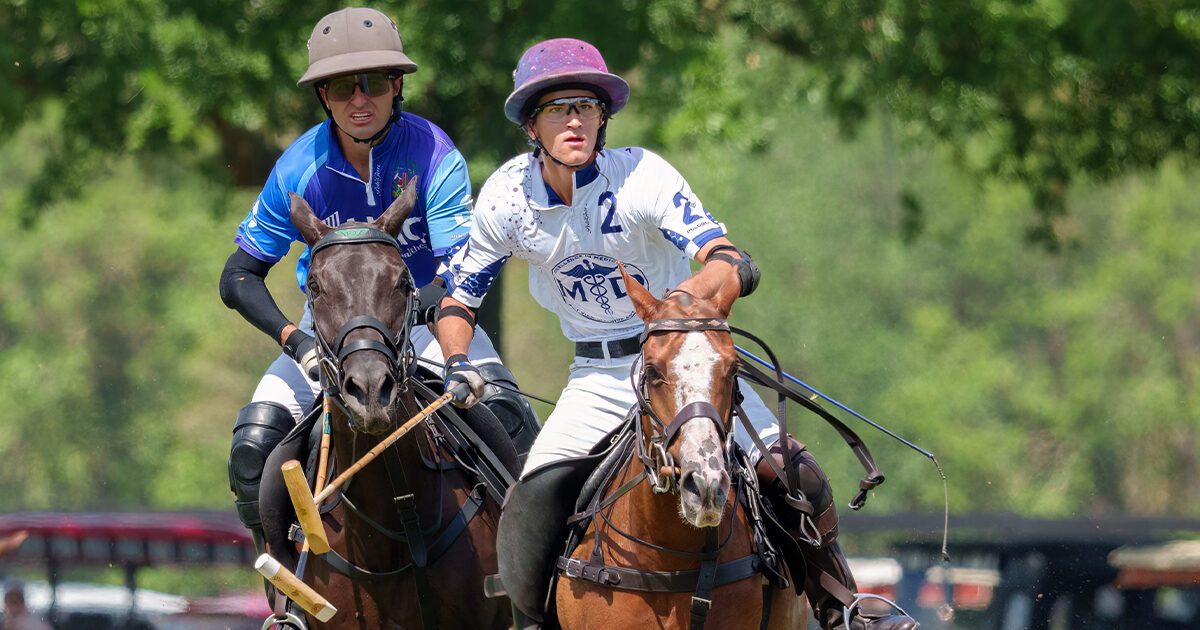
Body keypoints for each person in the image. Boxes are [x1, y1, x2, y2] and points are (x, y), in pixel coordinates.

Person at [434, 38, 918, 630]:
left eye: (586, 106)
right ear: (532, 126)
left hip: (685, 363)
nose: (575, 121)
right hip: (596, 375)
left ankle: (844, 610)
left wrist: (688, 303)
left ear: (603, 118)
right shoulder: (507, 197)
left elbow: (725, 256)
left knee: (793, 472)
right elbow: (458, 299)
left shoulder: (642, 175)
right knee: (530, 503)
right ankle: (538, 622)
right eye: (558, 109)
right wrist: (458, 362)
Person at [218, 7, 538, 556]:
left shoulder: (433, 153)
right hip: (328, 334)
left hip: (425, 320)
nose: (360, 99)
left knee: (508, 419)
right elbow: (238, 276)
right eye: (344, 87)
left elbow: (461, 269)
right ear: (324, 96)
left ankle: (528, 579)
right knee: (253, 444)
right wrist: (297, 342)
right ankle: (284, 580)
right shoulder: (298, 167)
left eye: (374, 83)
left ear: (397, 86)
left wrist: (414, 315)